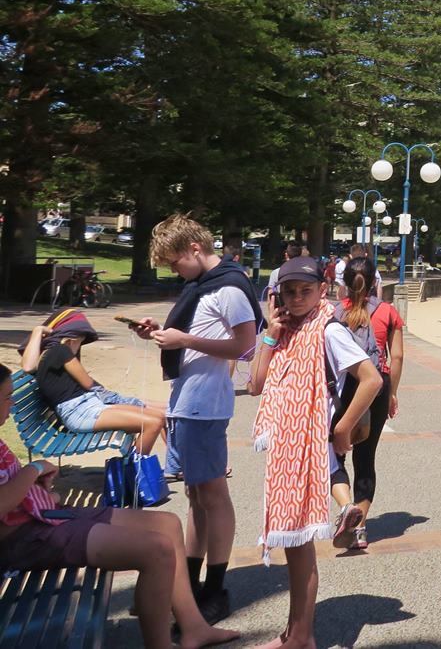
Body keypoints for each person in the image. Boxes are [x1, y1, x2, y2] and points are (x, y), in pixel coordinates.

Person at [0, 364, 239, 649]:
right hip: (24, 538)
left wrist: (37, 486)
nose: (12, 404)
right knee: (156, 550)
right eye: (6, 397)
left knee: (168, 524)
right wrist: (33, 469)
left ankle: (193, 628)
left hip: (42, 518)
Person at [134, 214, 263, 624]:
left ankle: (215, 589)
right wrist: (161, 331)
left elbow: (245, 346)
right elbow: (198, 334)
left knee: (212, 497)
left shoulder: (227, 286)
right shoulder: (203, 286)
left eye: (174, 262)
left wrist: (183, 339)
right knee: (196, 496)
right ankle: (189, 579)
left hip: (203, 406)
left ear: (193, 249)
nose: (174, 271)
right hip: (188, 403)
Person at [249, 255, 382, 649]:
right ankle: (295, 632)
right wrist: (270, 334)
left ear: (322, 290)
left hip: (309, 443)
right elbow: (256, 384)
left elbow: (371, 380)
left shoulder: (327, 329)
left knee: (298, 543)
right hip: (288, 445)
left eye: (305, 290)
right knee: (294, 543)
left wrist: (341, 428)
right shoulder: (287, 328)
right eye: (289, 292)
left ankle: (301, 635)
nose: (296, 298)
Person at [328, 257, 405, 551]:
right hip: (377, 386)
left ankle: (346, 505)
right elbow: (395, 357)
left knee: (334, 456)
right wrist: (393, 393)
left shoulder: (335, 313)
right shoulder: (388, 312)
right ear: (376, 282)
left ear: (344, 283)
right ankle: (359, 528)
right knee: (366, 457)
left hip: (344, 387)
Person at [20, 310, 168, 457]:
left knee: (160, 416)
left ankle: (173, 465)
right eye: (81, 341)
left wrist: (37, 333)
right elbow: (90, 384)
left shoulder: (49, 353)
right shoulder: (61, 351)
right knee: (153, 423)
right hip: (80, 411)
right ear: (72, 339)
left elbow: (29, 365)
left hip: (86, 406)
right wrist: (38, 331)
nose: (80, 346)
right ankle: (135, 473)